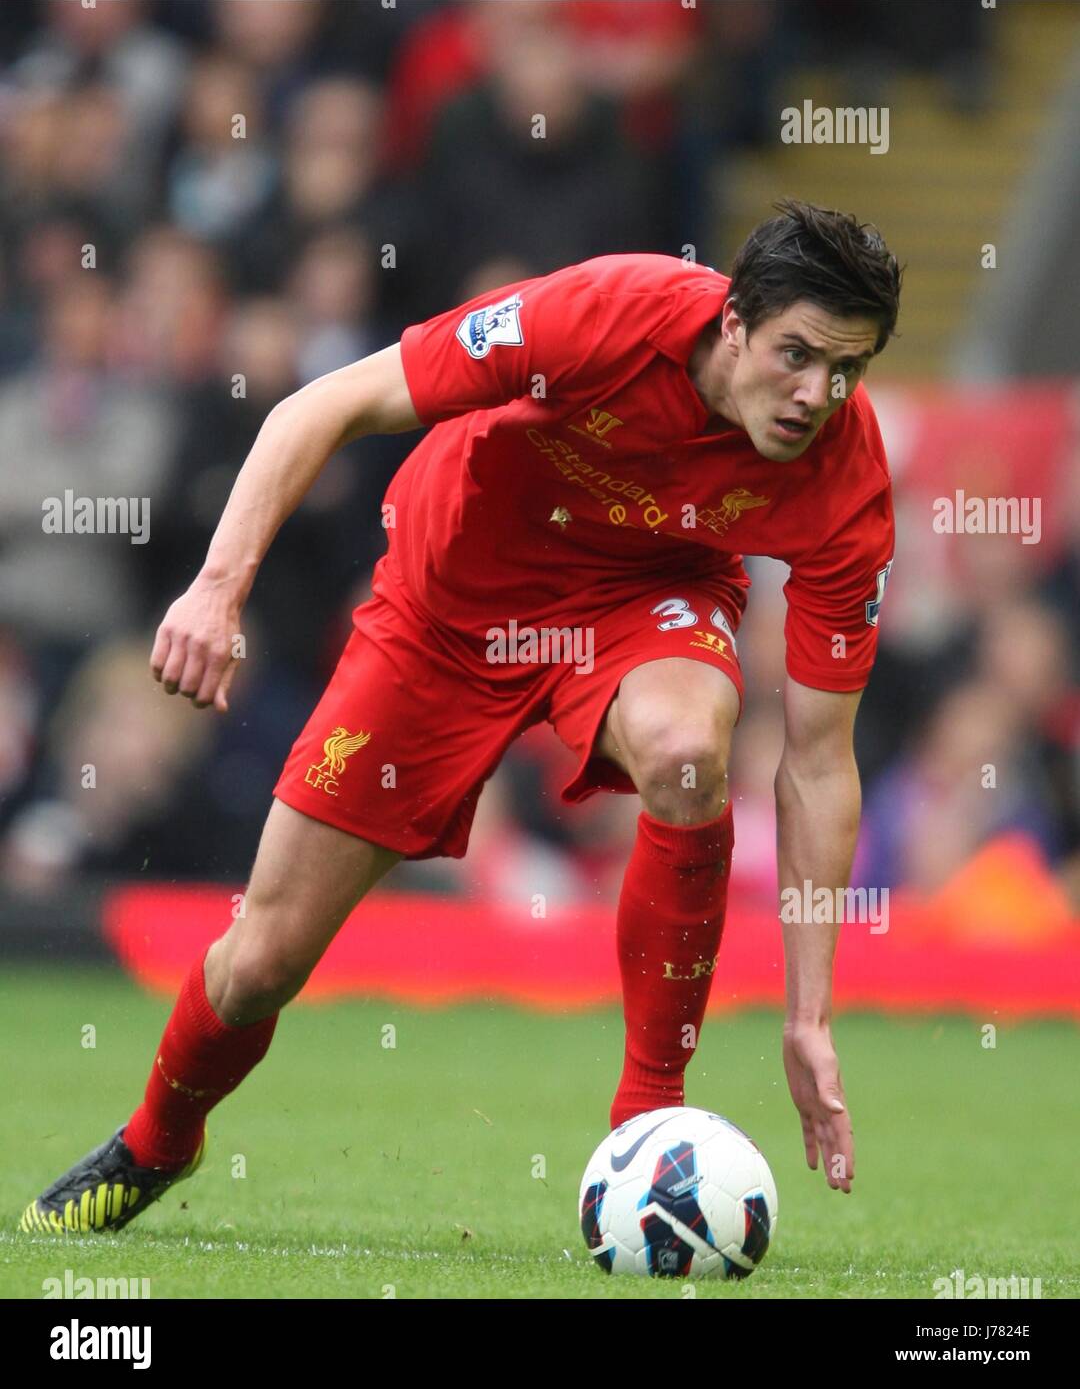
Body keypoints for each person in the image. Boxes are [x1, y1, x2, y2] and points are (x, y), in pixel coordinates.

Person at [21, 200, 901, 1233]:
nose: (815, 395)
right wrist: (218, 588)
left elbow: (818, 764)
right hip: (447, 607)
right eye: (796, 353)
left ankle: (645, 1128)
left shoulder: (846, 477)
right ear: (734, 321)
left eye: (847, 368)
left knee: (687, 752)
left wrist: (809, 1015)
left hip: (644, 598)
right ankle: (156, 1142)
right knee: (262, 961)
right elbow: (324, 404)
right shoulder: (599, 316)